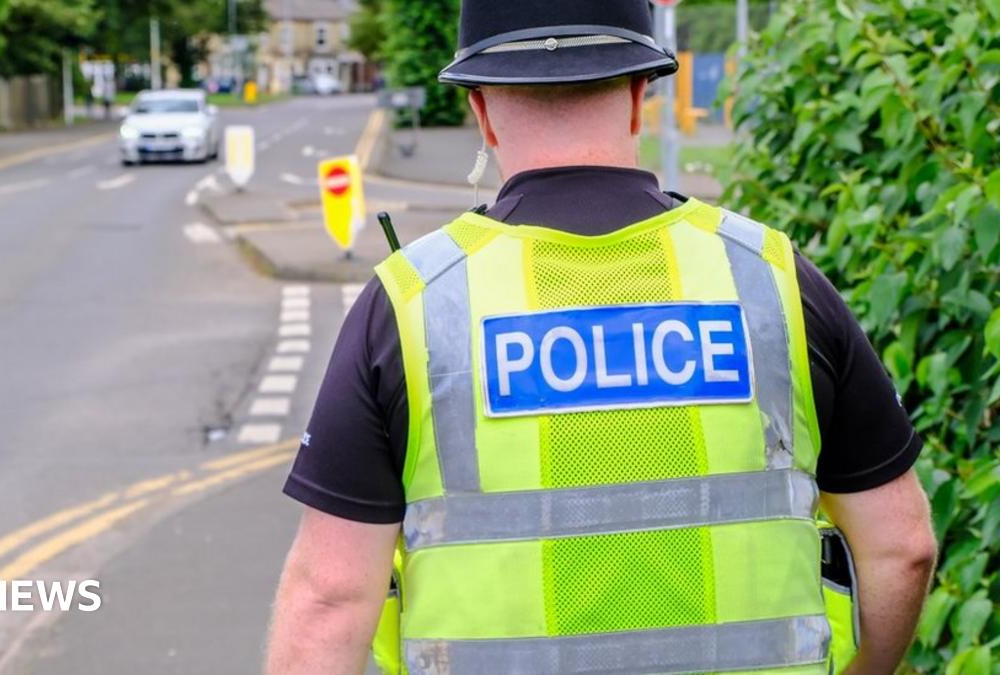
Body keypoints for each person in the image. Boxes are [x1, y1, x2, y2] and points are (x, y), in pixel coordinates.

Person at [266, 2, 937, 673]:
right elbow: (902, 545)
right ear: (641, 94)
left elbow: (330, 598)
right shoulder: (769, 279)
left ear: (482, 109)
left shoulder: (411, 304)